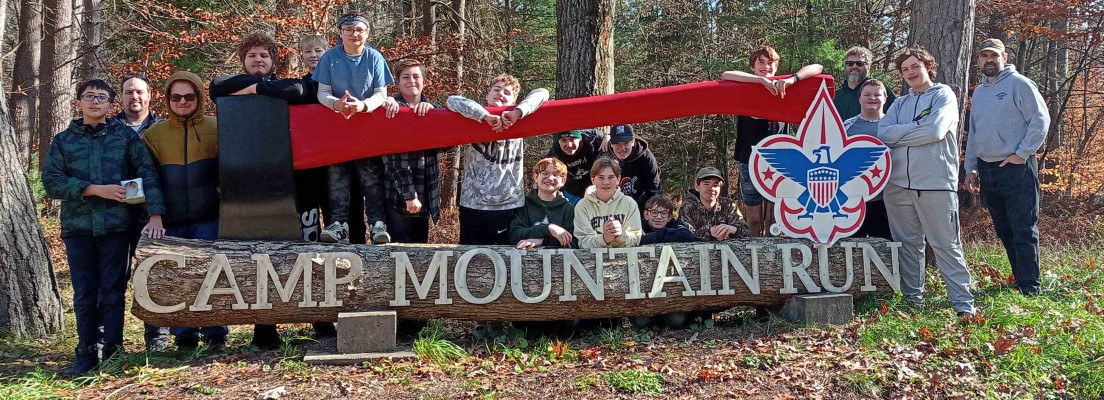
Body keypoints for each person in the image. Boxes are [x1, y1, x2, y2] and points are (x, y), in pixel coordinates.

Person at [209, 32, 339, 344]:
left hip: (299, 184)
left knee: (309, 253)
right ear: (243, 59)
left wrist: (256, 88)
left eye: (263, 56)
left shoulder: (288, 85)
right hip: (254, 188)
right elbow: (216, 86)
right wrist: (252, 86)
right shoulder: (231, 84)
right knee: (262, 258)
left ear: (272, 61)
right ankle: (265, 328)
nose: (258, 60)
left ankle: (318, 318)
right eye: (252, 55)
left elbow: (297, 88)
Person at [42, 79, 166, 375]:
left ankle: (112, 350)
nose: (94, 101)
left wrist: (155, 214)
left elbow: (147, 175)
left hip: (116, 228)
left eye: (101, 97)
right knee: (85, 292)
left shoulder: (125, 138)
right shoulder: (64, 140)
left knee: (112, 291)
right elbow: (52, 181)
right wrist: (93, 189)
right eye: (89, 96)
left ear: (112, 105)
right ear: (78, 102)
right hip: (78, 228)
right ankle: (86, 352)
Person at [878, 46, 976, 317]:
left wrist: (901, 133)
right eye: (905, 69)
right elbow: (883, 133)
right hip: (897, 186)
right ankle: (913, 302)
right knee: (908, 246)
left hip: (935, 184)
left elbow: (935, 130)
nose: (910, 73)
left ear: (927, 67)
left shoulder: (943, 95)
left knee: (946, 244)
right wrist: (913, 130)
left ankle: (963, 305)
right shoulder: (899, 104)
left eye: (915, 67)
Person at [143, 71, 233, 349]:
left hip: (209, 217)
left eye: (189, 96)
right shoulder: (154, 134)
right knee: (177, 277)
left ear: (199, 98)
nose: (182, 102)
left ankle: (216, 334)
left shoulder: (217, 127)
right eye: (176, 97)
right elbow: (148, 179)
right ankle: (183, 335)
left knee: (211, 274)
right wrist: (154, 214)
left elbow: (231, 171)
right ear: (168, 99)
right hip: (170, 221)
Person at [964, 38, 1050, 296]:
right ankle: (1019, 279)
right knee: (1004, 228)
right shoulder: (979, 92)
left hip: (1016, 167)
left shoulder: (1019, 84)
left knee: (1023, 228)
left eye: (994, 55)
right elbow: (975, 133)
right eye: (984, 56)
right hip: (987, 168)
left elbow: (1040, 119)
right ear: (978, 60)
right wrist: (970, 168)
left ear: (1004, 57)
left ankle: (1030, 287)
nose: (989, 60)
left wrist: (1022, 154)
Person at [721, 45, 823, 236]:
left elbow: (817, 67)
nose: (766, 67)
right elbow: (726, 74)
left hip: (780, 159)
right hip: (749, 158)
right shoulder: (745, 86)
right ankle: (753, 250)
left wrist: (793, 79)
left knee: (773, 217)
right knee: (753, 217)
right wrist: (760, 80)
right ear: (752, 66)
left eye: (771, 63)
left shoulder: (786, 85)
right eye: (761, 63)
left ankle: (771, 256)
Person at [314, 14, 394, 245]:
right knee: (337, 178)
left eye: (359, 29)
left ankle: (378, 225)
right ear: (340, 32)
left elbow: (381, 94)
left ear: (367, 33)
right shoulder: (329, 57)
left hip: (366, 129)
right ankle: (338, 224)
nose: (354, 34)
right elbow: (322, 92)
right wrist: (336, 104)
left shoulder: (374, 57)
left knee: (371, 178)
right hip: (336, 129)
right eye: (348, 29)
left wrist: (363, 105)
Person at [107, 73, 170, 352]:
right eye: (128, 92)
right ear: (120, 97)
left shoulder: (164, 128)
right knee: (112, 281)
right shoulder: (107, 129)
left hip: (153, 215)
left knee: (154, 277)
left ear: (149, 95)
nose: (134, 97)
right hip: (114, 214)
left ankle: (156, 337)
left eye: (140, 92)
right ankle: (109, 340)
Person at [448, 74, 549, 245]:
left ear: (514, 100)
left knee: (507, 260)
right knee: (470, 259)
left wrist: (517, 112)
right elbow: (452, 100)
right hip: (474, 205)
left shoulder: (520, 119)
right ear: (487, 95)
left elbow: (543, 92)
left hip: (508, 206)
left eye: (507, 92)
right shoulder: (472, 117)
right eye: (496, 89)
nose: (500, 93)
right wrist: (486, 116)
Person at [379, 59, 443, 243]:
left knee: (420, 255)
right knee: (397, 253)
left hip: (425, 194)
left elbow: (447, 144)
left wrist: (434, 112)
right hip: (399, 198)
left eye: (416, 76)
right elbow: (392, 160)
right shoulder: (391, 111)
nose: (411, 81)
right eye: (405, 77)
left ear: (424, 81)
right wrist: (409, 195)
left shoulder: (432, 110)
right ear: (397, 82)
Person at [842, 79, 893, 240]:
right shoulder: (846, 127)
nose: (872, 98)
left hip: (888, 198)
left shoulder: (895, 125)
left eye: (877, 94)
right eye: (867, 94)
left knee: (886, 244)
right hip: (854, 199)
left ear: (885, 98)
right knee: (853, 246)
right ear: (859, 98)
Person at [574, 157, 644, 249]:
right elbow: (583, 242)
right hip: (592, 261)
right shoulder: (582, 206)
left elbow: (636, 239)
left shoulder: (630, 204)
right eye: (601, 178)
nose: (606, 182)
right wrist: (604, 238)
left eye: (611, 177)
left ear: (618, 179)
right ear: (593, 180)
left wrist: (620, 235)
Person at [510, 158, 576, 249]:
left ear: (563, 181)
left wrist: (542, 241)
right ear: (536, 177)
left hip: (557, 261)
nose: (550, 178)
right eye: (545, 173)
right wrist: (547, 228)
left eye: (555, 174)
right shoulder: (523, 204)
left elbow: (573, 243)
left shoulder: (568, 208)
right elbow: (514, 235)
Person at [680, 167, 751, 241]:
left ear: (720, 187)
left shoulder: (729, 206)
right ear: (697, 186)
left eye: (715, 185)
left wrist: (734, 230)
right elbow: (685, 236)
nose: (711, 189)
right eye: (706, 184)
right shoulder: (687, 208)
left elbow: (747, 233)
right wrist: (709, 231)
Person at [832, 46, 896, 121]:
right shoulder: (835, 95)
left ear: (868, 67)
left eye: (859, 63)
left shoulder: (879, 91)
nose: (854, 66)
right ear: (845, 66)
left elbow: (897, 116)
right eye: (850, 63)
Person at [607, 124, 661, 211]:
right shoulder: (605, 156)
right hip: (612, 208)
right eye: (617, 143)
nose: (622, 148)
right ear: (611, 143)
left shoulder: (646, 158)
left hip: (640, 207)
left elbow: (654, 191)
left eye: (625, 143)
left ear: (632, 141)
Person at [547, 129, 608, 204]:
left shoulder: (591, 140)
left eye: (572, 139)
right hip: (572, 191)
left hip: (596, 188)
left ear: (580, 138)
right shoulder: (554, 155)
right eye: (563, 140)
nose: (569, 145)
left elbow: (611, 137)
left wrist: (608, 137)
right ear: (558, 142)